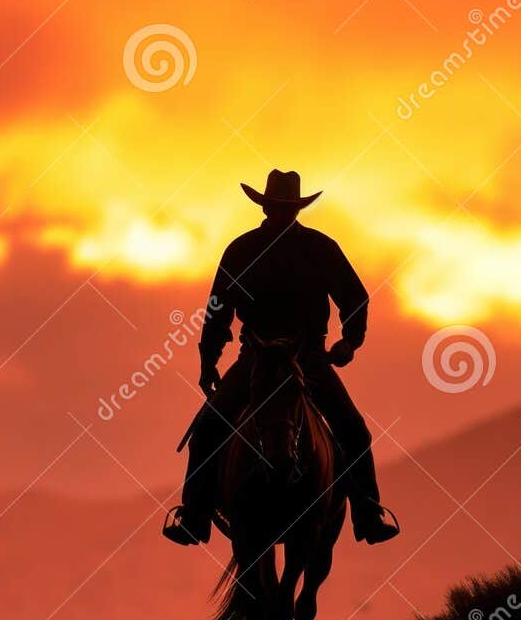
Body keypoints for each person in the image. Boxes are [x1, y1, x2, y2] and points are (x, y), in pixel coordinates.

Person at [163, 169, 400, 546]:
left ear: (293, 209)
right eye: (278, 207)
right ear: (266, 207)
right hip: (261, 358)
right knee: (207, 429)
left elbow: (355, 298)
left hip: (300, 358)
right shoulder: (259, 250)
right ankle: (195, 517)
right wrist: (208, 359)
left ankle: (367, 513)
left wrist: (350, 341)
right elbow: (218, 312)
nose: (281, 213)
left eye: (286, 207)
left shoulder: (292, 249)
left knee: (353, 429)